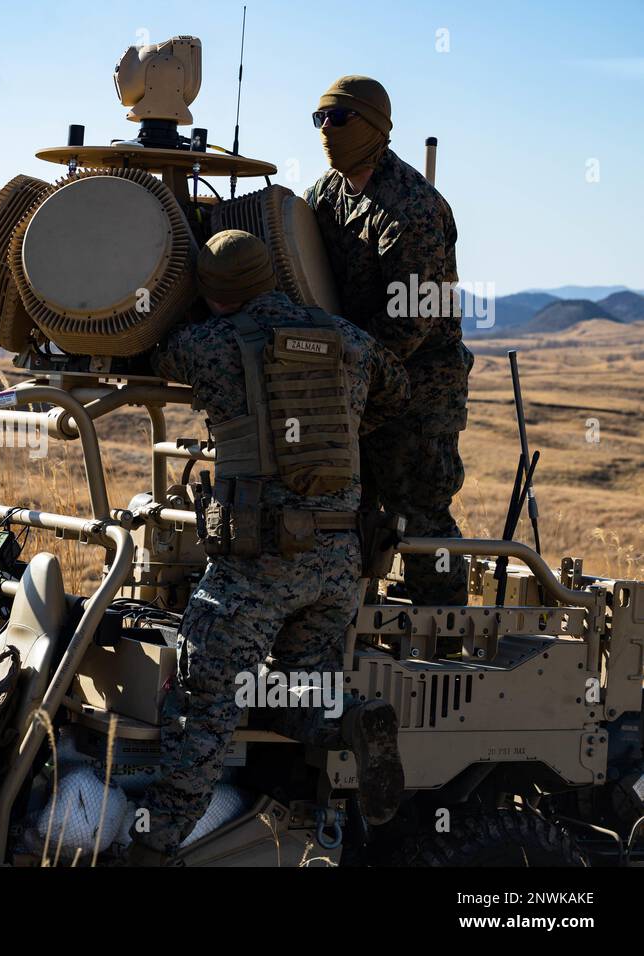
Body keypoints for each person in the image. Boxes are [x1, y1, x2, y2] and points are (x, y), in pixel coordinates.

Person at [129, 230, 409, 864]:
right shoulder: (346, 339)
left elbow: (156, 353)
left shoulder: (208, 345)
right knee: (292, 692)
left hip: (257, 565)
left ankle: (150, 846)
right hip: (341, 560)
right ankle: (350, 719)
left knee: (200, 707)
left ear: (213, 292)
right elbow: (396, 387)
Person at [305, 75, 474, 606]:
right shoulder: (326, 194)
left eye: (340, 118)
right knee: (344, 511)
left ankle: (443, 644)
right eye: (320, 119)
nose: (328, 130)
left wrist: (340, 365)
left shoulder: (414, 209)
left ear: (376, 128)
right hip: (355, 378)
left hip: (417, 386)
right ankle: (351, 629)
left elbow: (410, 323)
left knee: (418, 512)